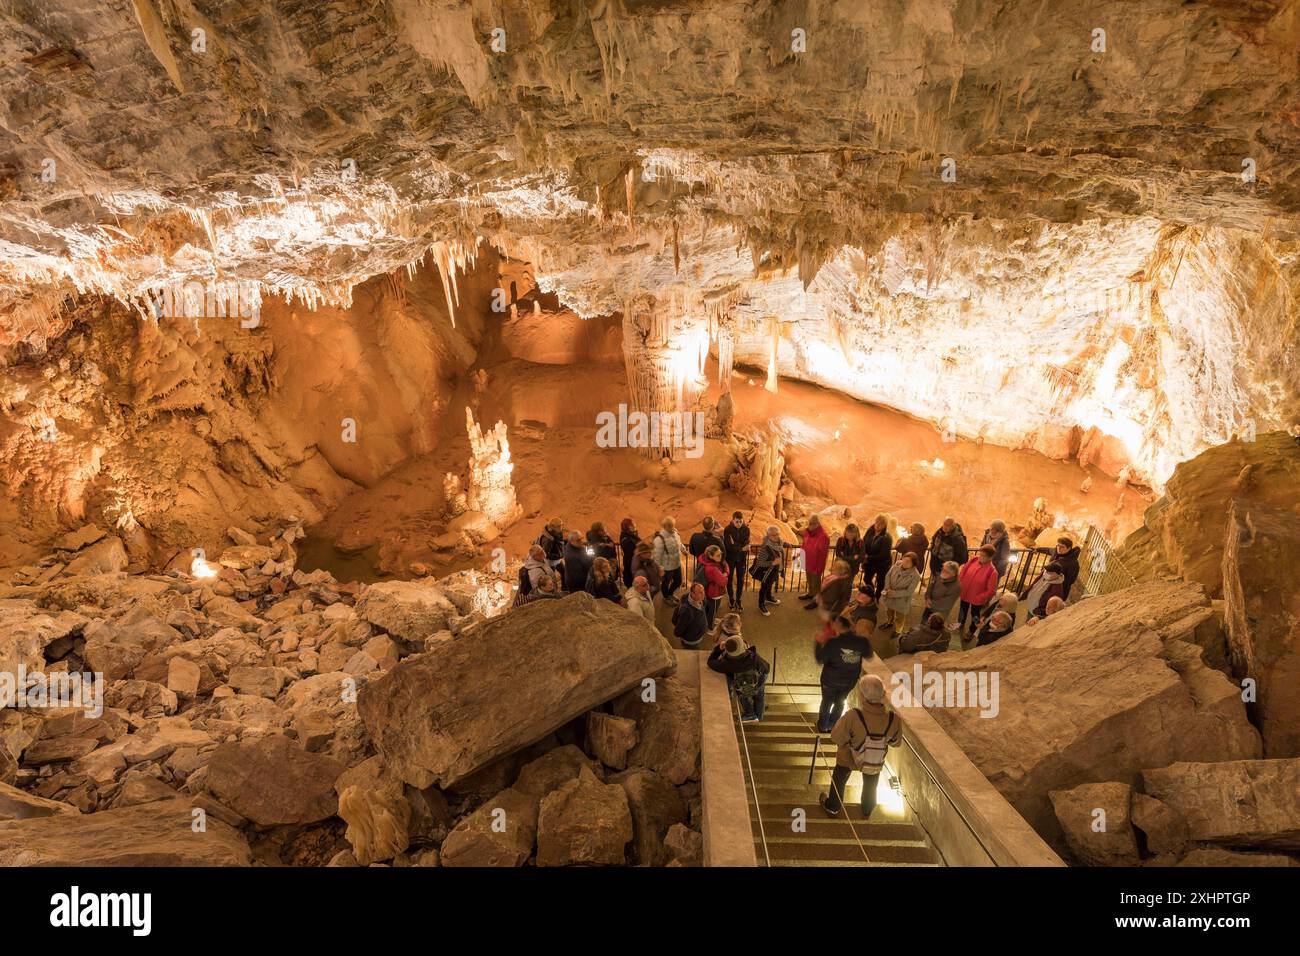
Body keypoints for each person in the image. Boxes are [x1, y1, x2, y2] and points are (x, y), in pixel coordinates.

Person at [820, 674, 902, 819]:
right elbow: (896, 742)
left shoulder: (853, 716)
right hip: (874, 759)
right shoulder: (893, 719)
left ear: (862, 696)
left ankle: (833, 806)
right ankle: (867, 808)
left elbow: (836, 737)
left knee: (840, 776)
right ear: (883, 694)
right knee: (871, 781)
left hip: (848, 758)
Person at [815, 615, 874, 732]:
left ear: (838, 627)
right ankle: (833, 726)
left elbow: (820, 659)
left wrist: (818, 643)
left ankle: (822, 726)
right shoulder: (862, 641)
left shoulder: (833, 642)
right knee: (840, 702)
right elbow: (868, 655)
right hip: (849, 681)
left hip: (830, 680)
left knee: (826, 702)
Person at [707, 630, 770, 722]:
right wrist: (760, 683)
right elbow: (766, 668)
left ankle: (750, 714)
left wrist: (719, 649)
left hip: (742, 686)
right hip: (758, 682)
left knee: (744, 697)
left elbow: (710, 662)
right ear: (743, 647)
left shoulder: (727, 665)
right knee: (759, 697)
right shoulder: (754, 657)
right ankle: (759, 716)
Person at [957, 546, 1000, 637]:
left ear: (990, 557)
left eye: (983, 556)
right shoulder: (974, 560)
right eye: (980, 554)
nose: (980, 557)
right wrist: (960, 582)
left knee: (975, 615)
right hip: (965, 592)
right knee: (962, 609)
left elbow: (991, 590)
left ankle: (972, 630)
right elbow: (964, 571)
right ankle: (960, 623)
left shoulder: (992, 572)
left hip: (977, 598)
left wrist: (979, 597)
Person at [878, 552, 921, 633]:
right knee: (889, 610)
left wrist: (893, 593)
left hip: (901, 599)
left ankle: (898, 630)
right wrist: (887, 588)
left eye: (908, 561)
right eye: (904, 559)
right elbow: (888, 576)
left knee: (900, 616)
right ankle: (889, 622)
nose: (904, 562)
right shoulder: (896, 565)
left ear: (913, 564)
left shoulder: (916, 576)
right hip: (889, 593)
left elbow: (909, 591)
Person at [796, 515, 831, 608]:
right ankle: (810, 594)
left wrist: (819, 569)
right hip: (807, 562)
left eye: (812, 523)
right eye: (809, 523)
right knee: (810, 581)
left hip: (816, 565)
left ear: (818, 524)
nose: (810, 525)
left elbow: (823, 555)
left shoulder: (824, 536)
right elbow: (804, 544)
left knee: (816, 584)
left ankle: (816, 601)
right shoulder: (807, 533)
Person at [652, 517, 687, 606]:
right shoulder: (659, 539)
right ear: (664, 526)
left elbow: (679, 543)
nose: (672, 527)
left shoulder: (675, 534)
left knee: (678, 581)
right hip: (667, 567)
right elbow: (656, 556)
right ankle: (666, 597)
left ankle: (670, 594)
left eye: (672, 525)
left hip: (676, 563)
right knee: (665, 583)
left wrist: (683, 550)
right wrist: (660, 568)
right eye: (670, 526)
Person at [752, 525, 785, 616]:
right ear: (768, 536)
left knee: (771, 584)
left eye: (778, 534)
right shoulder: (765, 547)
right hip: (767, 571)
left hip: (774, 570)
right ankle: (761, 604)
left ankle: (769, 597)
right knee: (764, 587)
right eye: (774, 535)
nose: (777, 537)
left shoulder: (778, 542)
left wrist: (786, 544)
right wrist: (772, 563)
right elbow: (760, 563)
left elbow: (781, 545)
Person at [694, 545, 729, 628]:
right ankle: (710, 627)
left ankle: (707, 622)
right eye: (718, 555)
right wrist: (725, 575)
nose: (720, 557)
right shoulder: (712, 569)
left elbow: (725, 563)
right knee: (713, 610)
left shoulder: (705, 560)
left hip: (708, 591)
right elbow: (723, 582)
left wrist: (725, 573)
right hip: (715, 593)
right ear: (710, 556)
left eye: (720, 554)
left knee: (708, 608)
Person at [723, 511, 751, 612]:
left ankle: (738, 599)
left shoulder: (746, 529)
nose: (739, 524)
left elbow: (747, 543)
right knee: (729, 579)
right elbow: (728, 546)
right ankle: (731, 599)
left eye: (740, 522)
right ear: (732, 520)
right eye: (737, 522)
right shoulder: (727, 529)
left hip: (741, 559)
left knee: (741, 579)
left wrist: (735, 544)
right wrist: (741, 548)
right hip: (730, 559)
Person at [863, 514, 893, 598]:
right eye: (877, 522)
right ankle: (871, 594)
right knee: (866, 579)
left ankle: (877, 599)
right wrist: (863, 554)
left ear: (884, 525)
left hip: (882, 564)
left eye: (881, 524)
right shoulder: (870, 531)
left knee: (880, 583)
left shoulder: (887, 537)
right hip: (870, 563)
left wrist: (868, 557)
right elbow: (864, 542)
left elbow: (883, 555)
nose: (878, 525)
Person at [671, 583, 709, 649]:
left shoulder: (699, 599)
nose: (703, 594)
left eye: (703, 591)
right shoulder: (686, 612)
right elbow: (677, 631)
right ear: (692, 594)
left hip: (697, 635)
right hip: (691, 641)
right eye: (700, 592)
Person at [619, 517, 641, 587]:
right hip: (631, 563)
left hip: (635, 561)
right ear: (629, 527)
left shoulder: (632, 535)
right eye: (633, 525)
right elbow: (630, 552)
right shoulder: (626, 538)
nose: (635, 526)